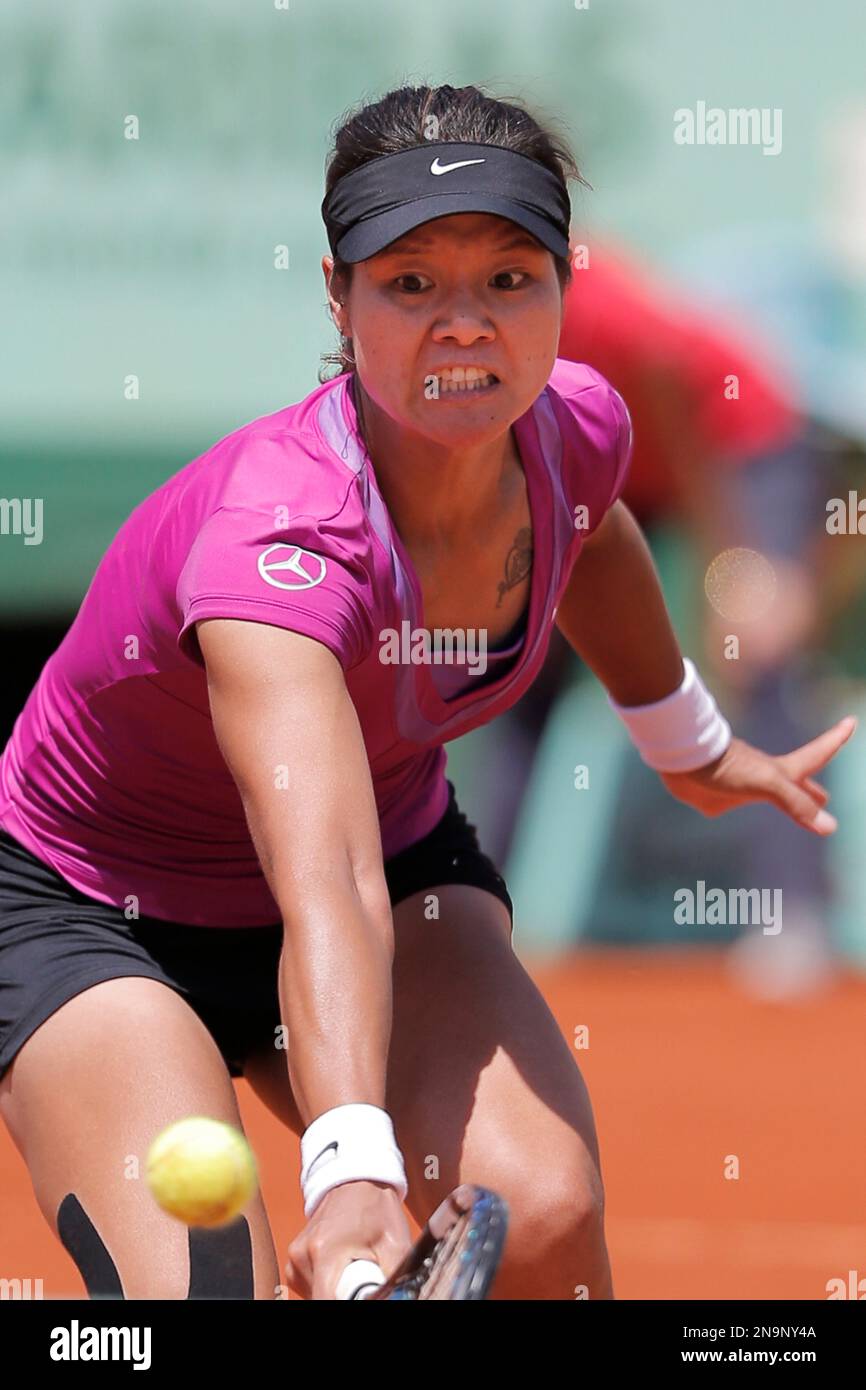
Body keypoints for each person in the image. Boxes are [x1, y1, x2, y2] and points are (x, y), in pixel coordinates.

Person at [0, 83, 855, 1302]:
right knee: (203, 1288)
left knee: (543, 1215)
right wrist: (352, 1168)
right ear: (337, 300)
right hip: (99, 906)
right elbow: (325, 882)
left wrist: (684, 737)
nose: (465, 325)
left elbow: (591, 533)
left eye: (509, 280)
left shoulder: (577, 428)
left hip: (394, 865)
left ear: (565, 287)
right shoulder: (279, 545)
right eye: (410, 284)